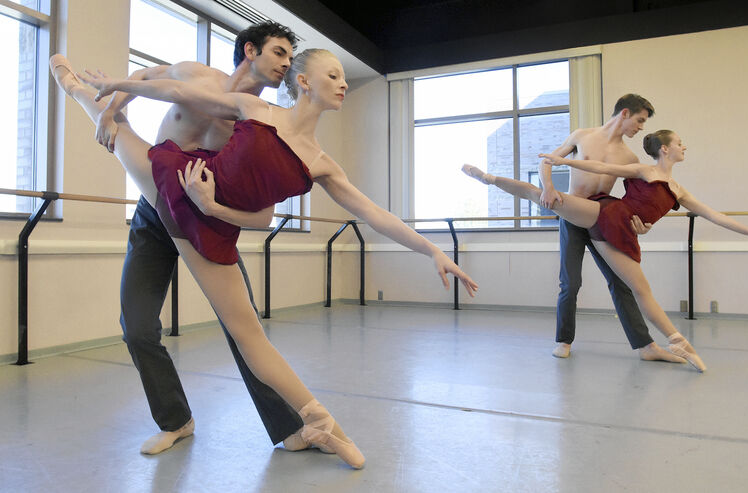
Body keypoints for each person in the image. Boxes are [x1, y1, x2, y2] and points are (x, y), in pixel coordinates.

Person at [50, 47, 478, 469]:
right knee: (106, 121)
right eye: (333, 76)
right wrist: (114, 87)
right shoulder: (254, 110)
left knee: (250, 336)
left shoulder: (321, 164)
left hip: (211, 224)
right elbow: (175, 92)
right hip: (170, 179)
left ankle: (321, 425)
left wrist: (432, 249)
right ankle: (70, 81)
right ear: (305, 83)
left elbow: (373, 213)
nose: (344, 83)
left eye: (344, 77)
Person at [98, 22, 314, 456]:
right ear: (250, 50)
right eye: (279, 53)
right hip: (153, 213)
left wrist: (215, 209)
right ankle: (176, 421)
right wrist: (110, 110)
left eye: (290, 58)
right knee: (137, 327)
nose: (286, 64)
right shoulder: (195, 75)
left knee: (243, 329)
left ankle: (289, 426)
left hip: (203, 225)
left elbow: (264, 214)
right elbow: (142, 78)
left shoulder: (256, 124)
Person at [463, 130, 748, 372]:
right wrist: (563, 160)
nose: (684, 147)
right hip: (605, 212)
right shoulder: (645, 170)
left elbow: (714, 215)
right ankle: (489, 178)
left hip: (621, 234)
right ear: (665, 148)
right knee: (543, 196)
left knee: (639, 288)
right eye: (680, 143)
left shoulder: (679, 191)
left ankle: (676, 343)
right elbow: (600, 165)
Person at [538, 94, 684, 363]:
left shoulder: (629, 156)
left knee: (620, 283)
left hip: (602, 219)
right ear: (625, 113)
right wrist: (548, 187)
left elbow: (640, 199)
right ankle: (564, 340)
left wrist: (643, 225)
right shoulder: (582, 136)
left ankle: (645, 346)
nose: (640, 128)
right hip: (573, 215)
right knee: (570, 283)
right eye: (639, 121)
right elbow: (547, 160)